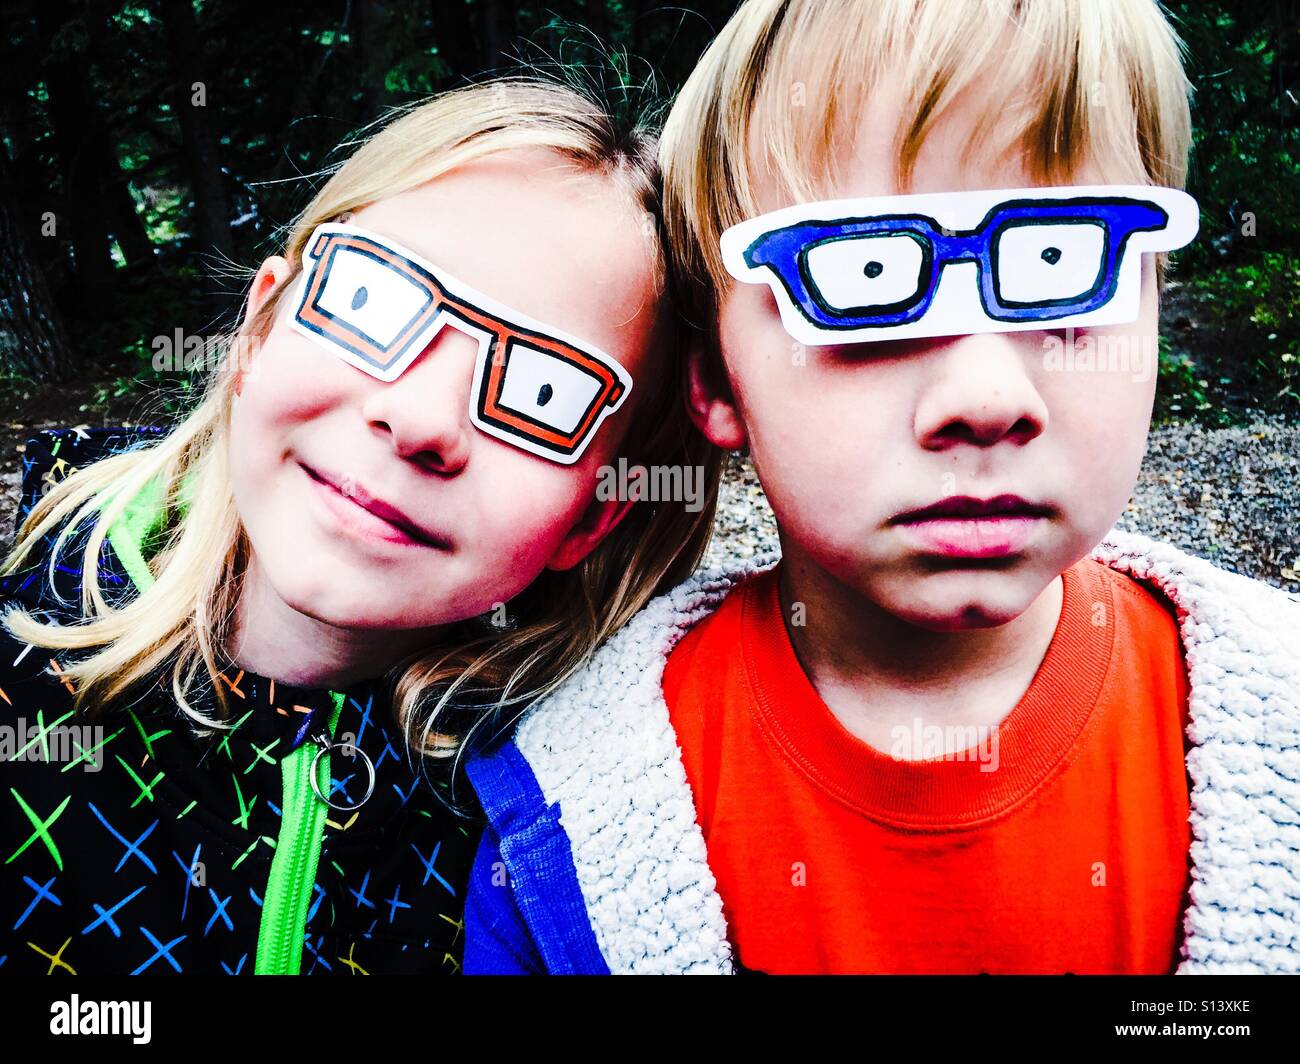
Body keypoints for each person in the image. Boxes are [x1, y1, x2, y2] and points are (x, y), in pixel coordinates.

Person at [461, 0, 1300, 974]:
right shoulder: (564, 813)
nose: (985, 396)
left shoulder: (1277, 726)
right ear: (717, 379)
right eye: (864, 274)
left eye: (1063, 258)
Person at [0, 77, 719, 975]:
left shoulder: (564, 843)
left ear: (594, 517)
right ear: (259, 332)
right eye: (373, 301)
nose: (419, 418)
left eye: (543, 392)